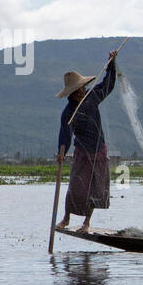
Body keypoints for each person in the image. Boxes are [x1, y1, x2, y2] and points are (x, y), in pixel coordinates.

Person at [55, 49, 119, 233]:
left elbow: (108, 85)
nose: (83, 90)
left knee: (94, 189)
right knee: (76, 187)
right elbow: (65, 134)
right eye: (80, 89)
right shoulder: (69, 111)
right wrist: (61, 153)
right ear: (73, 92)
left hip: (98, 150)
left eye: (83, 87)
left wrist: (111, 64)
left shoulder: (92, 98)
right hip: (82, 152)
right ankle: (66, 219)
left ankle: (86, 224)